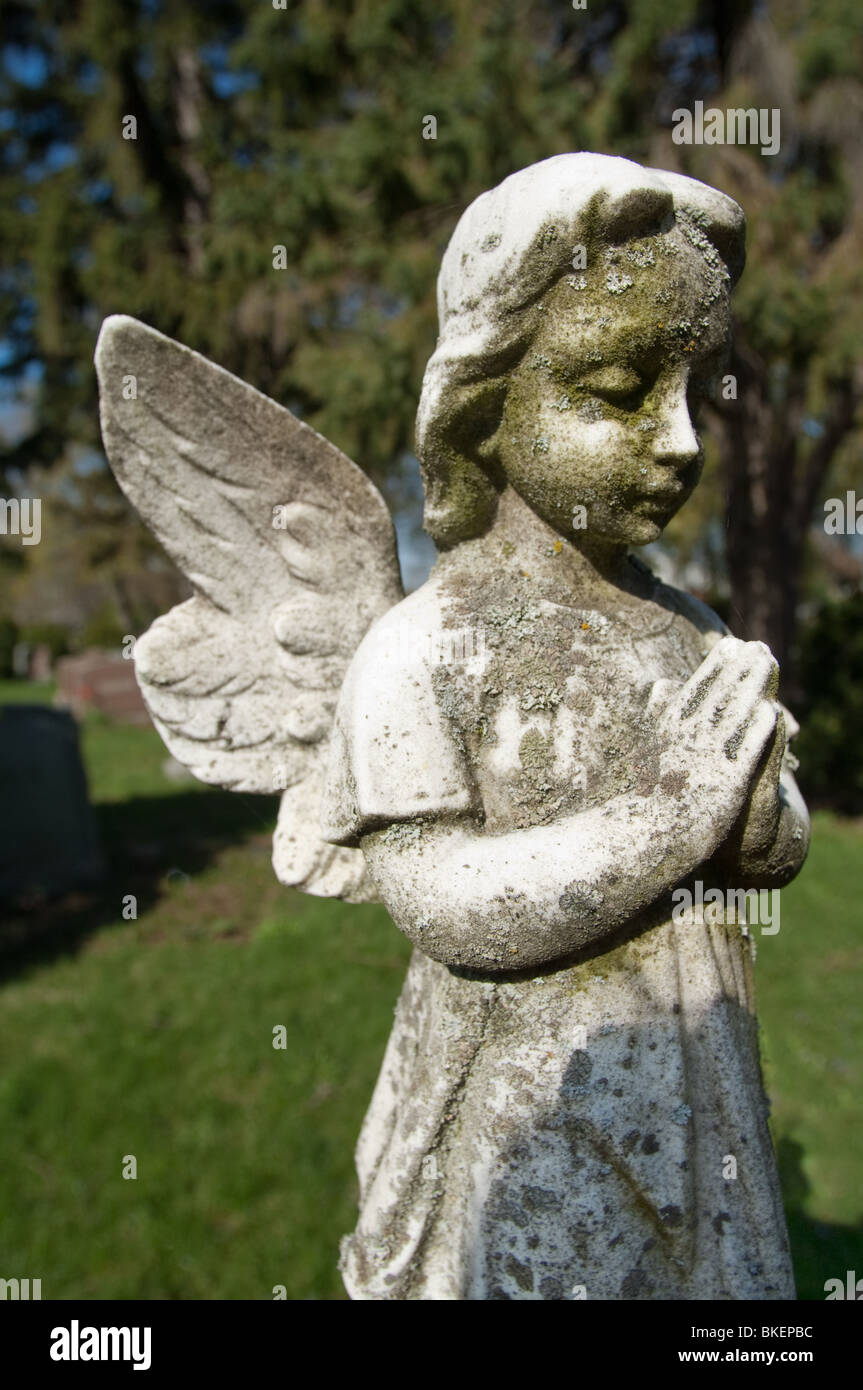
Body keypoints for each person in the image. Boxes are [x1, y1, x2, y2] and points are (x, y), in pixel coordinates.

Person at [322, 154, 810, 1300]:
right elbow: (441, 903)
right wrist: (672, 815)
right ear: (483, 405)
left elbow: (775, 844)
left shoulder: (686, 628)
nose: (681, 440)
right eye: (617, 391)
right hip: (523, 1105)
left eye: (694, 389)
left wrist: (750, 802)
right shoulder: (427, 648)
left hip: (692, 1093)